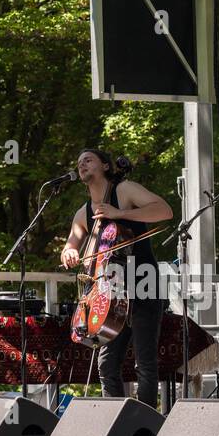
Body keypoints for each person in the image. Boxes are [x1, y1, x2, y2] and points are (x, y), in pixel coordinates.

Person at [61, 149, 173, 408]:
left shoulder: (124, 190)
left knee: (144, 363)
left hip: (144, 285)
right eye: (79, 162)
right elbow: (71, 244)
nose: (82, 164)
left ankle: (146, 423)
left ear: (105, 165)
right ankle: (115, 423)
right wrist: (69, 252)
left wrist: (119, 214)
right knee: (107, 364)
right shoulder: (83, 213)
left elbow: (164, 211)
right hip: (108, 295)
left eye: (88, 159)